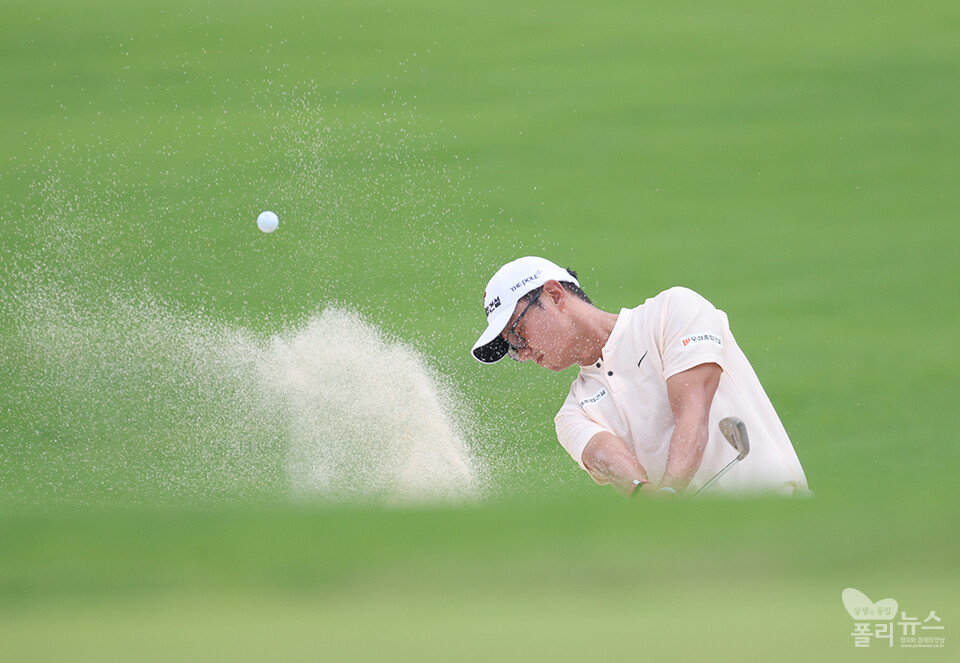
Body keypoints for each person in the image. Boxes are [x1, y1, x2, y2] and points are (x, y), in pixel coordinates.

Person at [471, 256, 810, 498]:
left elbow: (692, 417)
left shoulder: (672, 312)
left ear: (555, 295)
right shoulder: (573, 413)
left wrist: (669, 491)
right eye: (512, 350)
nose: (524, 352)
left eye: (517, 334)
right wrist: (645, 495)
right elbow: (610, 461)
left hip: (782, 521)